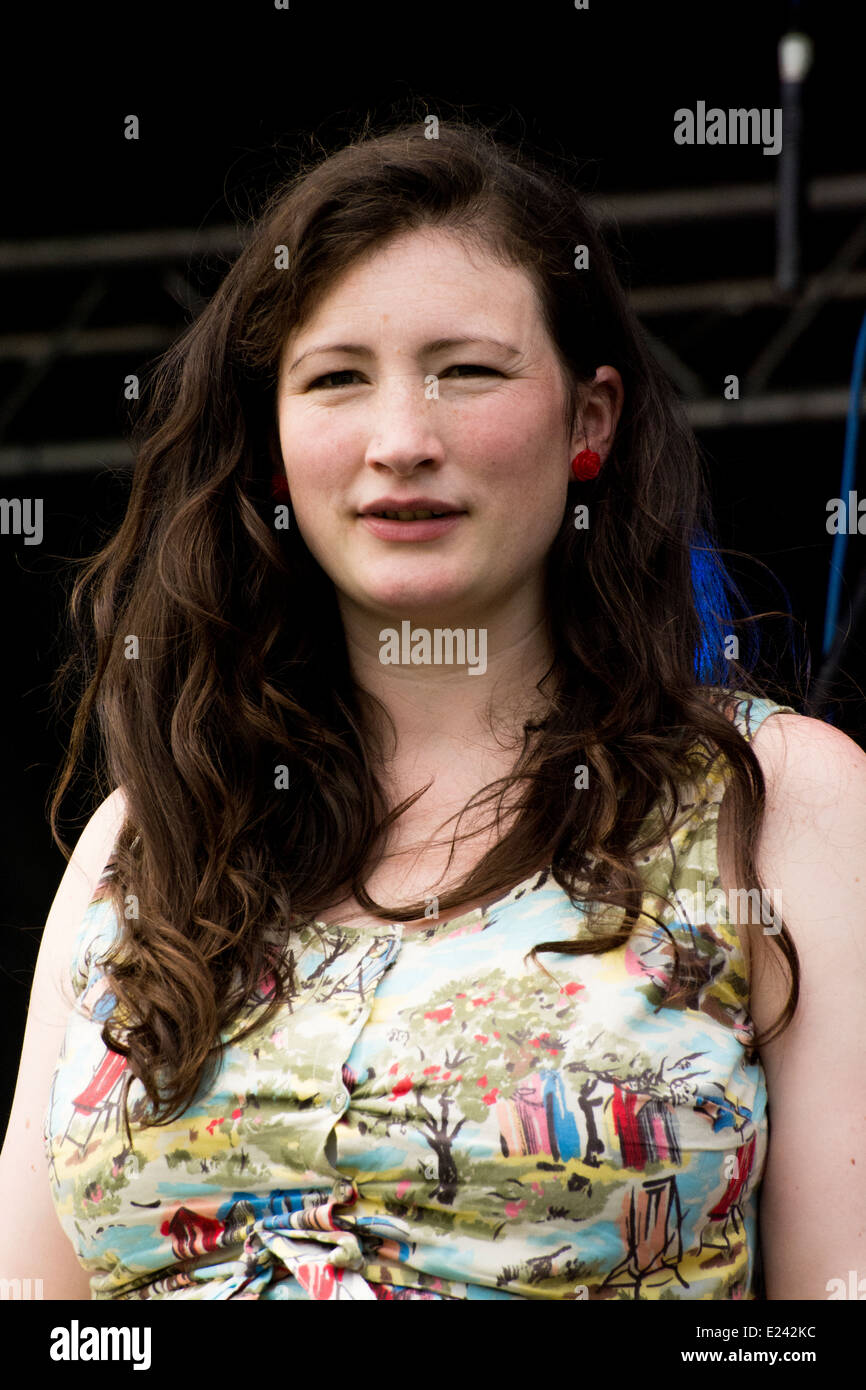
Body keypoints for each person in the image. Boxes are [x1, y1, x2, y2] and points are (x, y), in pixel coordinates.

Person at [1, 116, 864, 1302]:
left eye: (467, 371)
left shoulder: (785, 803)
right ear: (270, 448)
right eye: (336, 378)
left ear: (589, 420)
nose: (401, 441)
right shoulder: (141, 841)